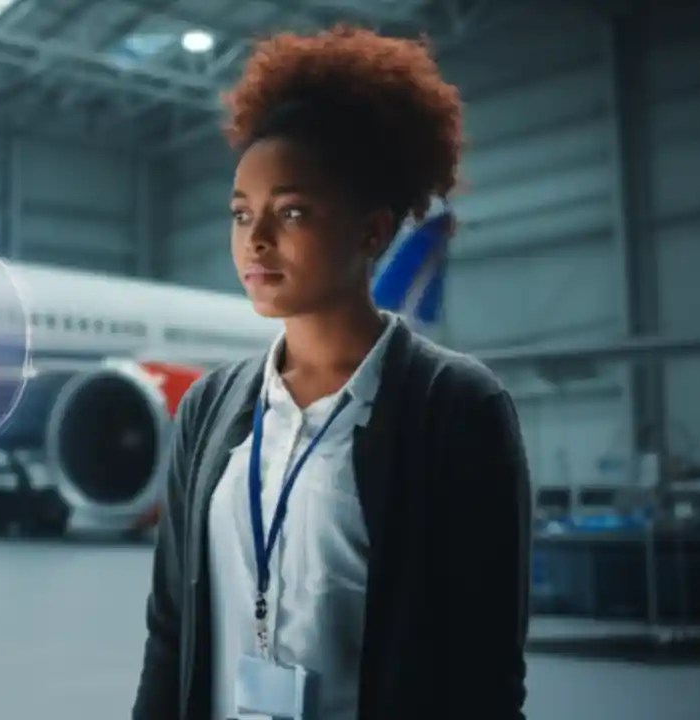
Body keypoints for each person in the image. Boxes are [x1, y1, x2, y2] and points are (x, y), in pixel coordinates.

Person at [133, 25, 531, 720]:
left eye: (291, 211)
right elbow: (171, 633)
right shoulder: (209, 409)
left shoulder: (457, 407)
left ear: (373, 231)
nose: (255, 239)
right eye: (239, 213)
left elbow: (485, 672)